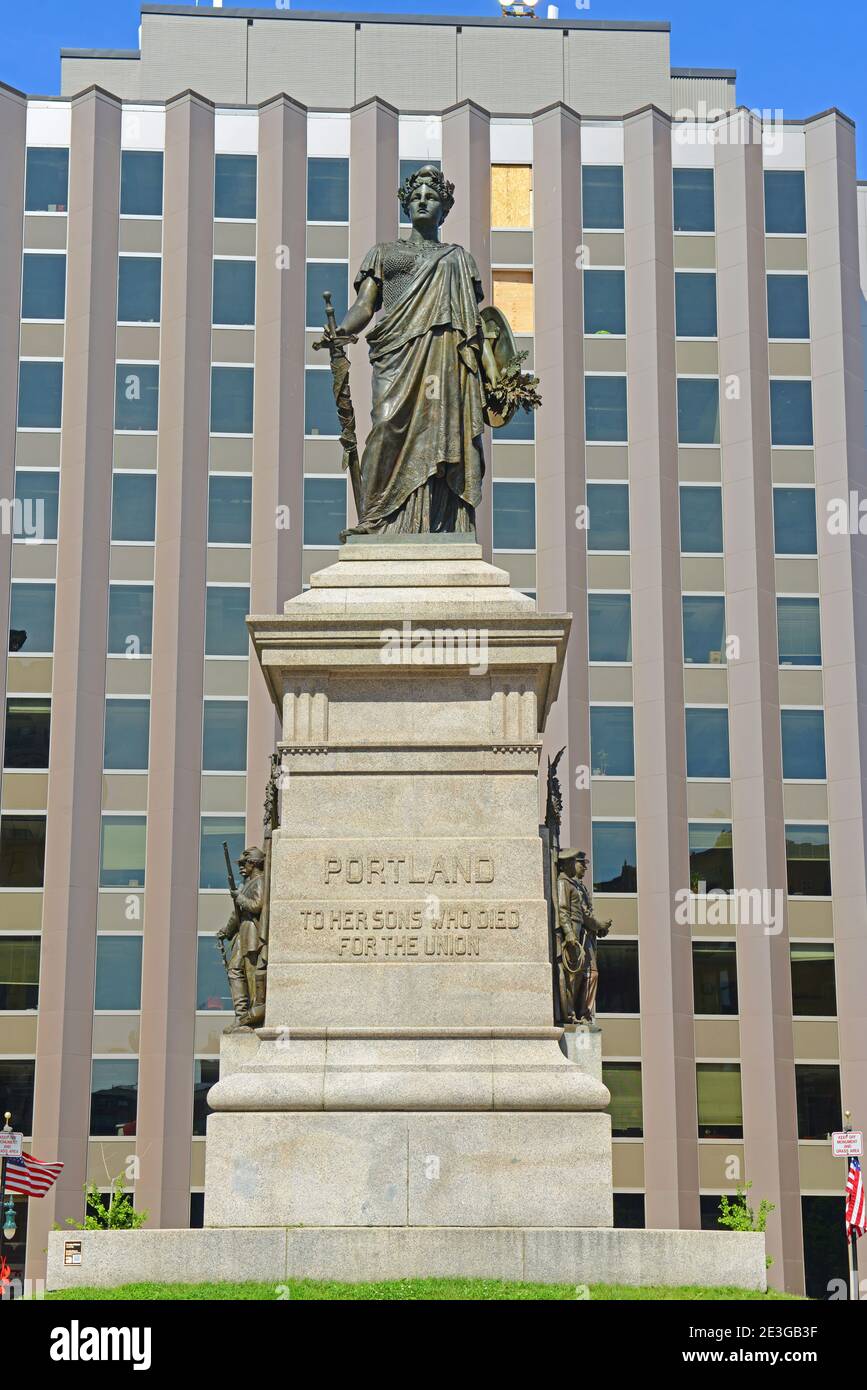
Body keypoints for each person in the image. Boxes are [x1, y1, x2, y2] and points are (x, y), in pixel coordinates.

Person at [325, 164, 502, 534]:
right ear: (406, 205)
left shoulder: (457, 258)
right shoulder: (384, 253)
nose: (423, 201)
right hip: (398, 357)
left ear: (445, 208)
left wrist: (495, 378)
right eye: (416, 196)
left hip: (445, 358)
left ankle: (440, 525)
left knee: (444, 431)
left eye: (432, 196)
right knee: (387, 424)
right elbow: (365, 305)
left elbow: (475, 328)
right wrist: (341, 330)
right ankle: (375, 519)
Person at [556, 849, 612, 1027]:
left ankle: (584, 1012)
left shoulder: (577, 885)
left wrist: (598, 927)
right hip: (573, 934)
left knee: (590, 974)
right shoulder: (563, 883)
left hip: (583, 932)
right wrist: (570, 934)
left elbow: (585, 914)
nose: (582, 867)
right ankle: (571, 1013)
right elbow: (563, 910)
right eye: (579, 863)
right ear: (567, 864)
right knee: (573, 975)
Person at [217, 846, 267, 1032]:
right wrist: (227, 931)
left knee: (251, 975)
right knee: (235, 970)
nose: (240, 867)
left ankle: (250, 1016)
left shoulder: (259, 881)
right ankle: (241, 1015)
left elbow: (257, 905)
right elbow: (236, 914)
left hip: (253, 935)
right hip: (242, 934)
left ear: (254, 863)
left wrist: (240, 898)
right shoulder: (247, 884)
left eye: (244, 863)